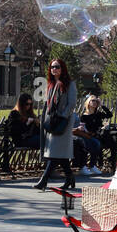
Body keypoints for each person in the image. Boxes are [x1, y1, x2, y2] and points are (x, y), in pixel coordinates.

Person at [35, 58, 77, 191]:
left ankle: (44, 180)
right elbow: (48, 105)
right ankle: (70, 177)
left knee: (54, 152)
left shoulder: (69, 84)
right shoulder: (51, 84)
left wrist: (62, 116)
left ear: (62, 68)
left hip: (63, 122)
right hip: (52, 121)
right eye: (52, 67)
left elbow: (71, 104)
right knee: (59, 153)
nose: (54, 69)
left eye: (57, 67)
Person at [79, 94, 117, 172]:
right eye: (93, 100)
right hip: (91, 136)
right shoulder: (84, 116)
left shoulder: (98, 114)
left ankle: (112, 163)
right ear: (88, 102)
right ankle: (93, 165)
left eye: (96, 101)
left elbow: (109, 115)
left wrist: (102, 105)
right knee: (96, 143)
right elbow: (83, 129)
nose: (95, 102)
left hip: (101, 135)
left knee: (115, 142)